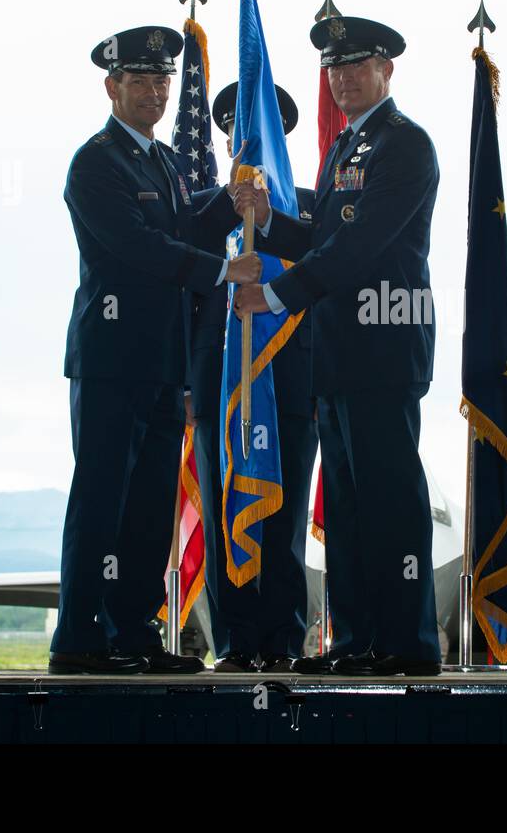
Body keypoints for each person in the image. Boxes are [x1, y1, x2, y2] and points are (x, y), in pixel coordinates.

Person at [233, 15, 441, 676]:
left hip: (384, 346)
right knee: (348, 507)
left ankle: (406, 644)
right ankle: (356, 641)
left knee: (389, 499)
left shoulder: (405, 146)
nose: (344, 79)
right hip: (340, 353)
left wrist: (276, 294)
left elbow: (360, 245)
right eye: (335, 69)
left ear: (387, 69)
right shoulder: (344, 148)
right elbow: (324, 233)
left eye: (357, 66)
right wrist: (270, 221)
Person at [51, 26, 261, 675]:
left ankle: (133, 633)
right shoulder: (95, 163)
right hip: (111, 362)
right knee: (102, 500)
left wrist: (232, 203)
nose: (154, 91)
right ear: (111, 87)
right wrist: (223, 271)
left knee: (147, 509)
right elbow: (137, 246)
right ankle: (80, 638)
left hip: (165, 364)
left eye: (162, 80)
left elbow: (185, 226)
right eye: (139, 80)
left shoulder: (164, 162)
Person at [188, 82, 319, 674]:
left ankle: (283, 642)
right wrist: (191, 385)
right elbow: (189, 305)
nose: (250, 154)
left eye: (261, 139)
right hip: (220, 387)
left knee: (285, 518)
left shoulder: (307, 211)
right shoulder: (205, 215)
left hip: (292, 387)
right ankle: (237, 641)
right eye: (239, 138)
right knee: (225, 514)